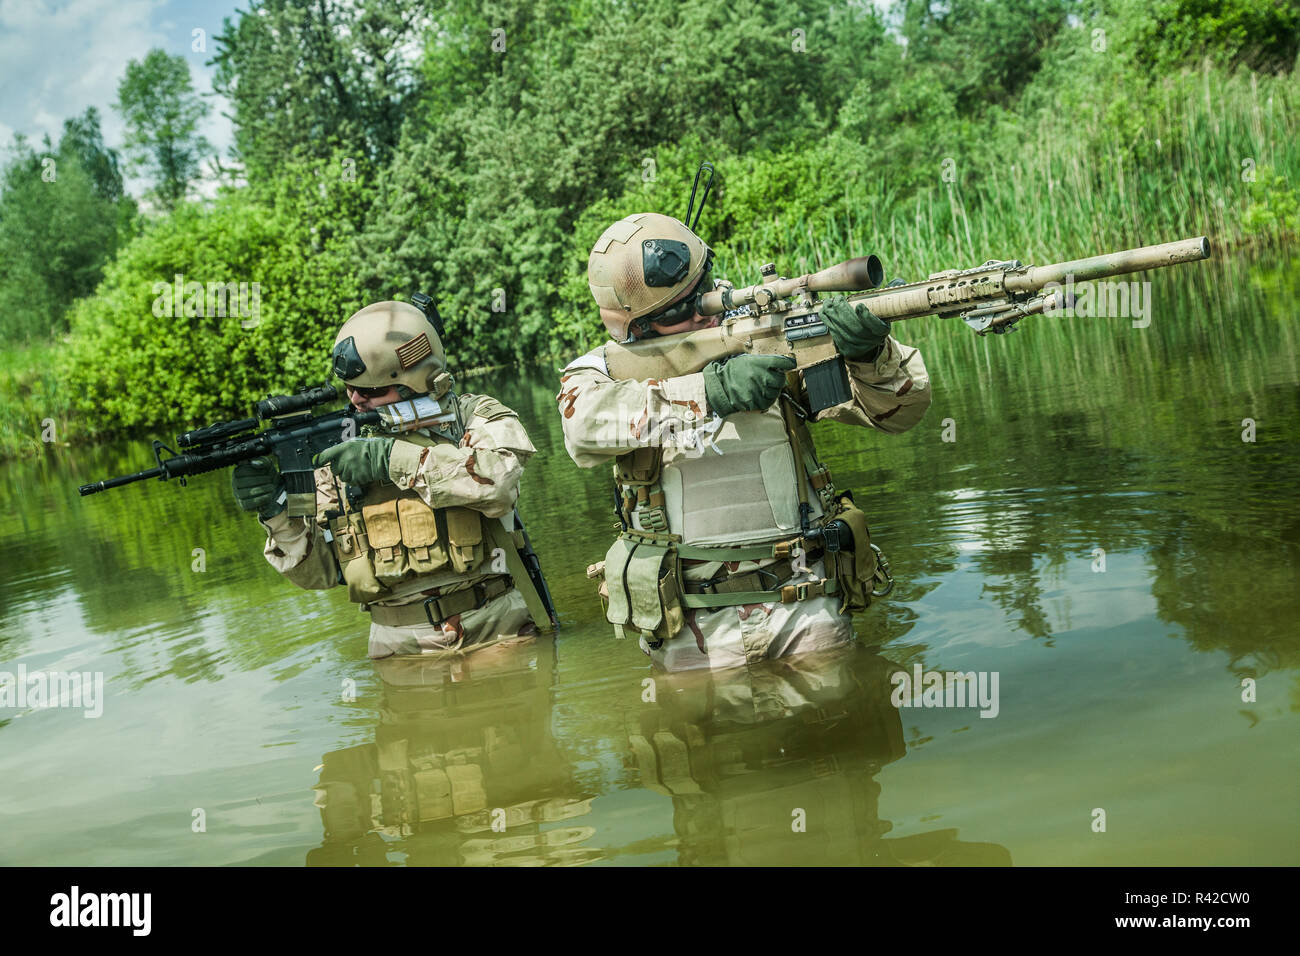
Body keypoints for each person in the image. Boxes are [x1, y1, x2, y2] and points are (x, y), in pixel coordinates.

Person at [558, 212, 932, 671]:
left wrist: (872, 357)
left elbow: (901, 414)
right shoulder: (601, 372)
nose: (700, 314)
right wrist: (710, 393)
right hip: (687, 630)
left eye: (703, 294)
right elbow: (582, 430)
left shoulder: (764, 336)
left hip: (807, 610)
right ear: (634, 327)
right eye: (678, 312)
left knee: (842, 727)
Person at [232, 299, 545, 659]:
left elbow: (499, 483)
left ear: (414, 380)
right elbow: (317, 574)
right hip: (398, 653)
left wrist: (389, 459)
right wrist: (276, 510)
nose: (356, 399)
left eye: (371, 390)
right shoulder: (342, 449)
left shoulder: (471, 418)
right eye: (350, 388)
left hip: (499, 631)